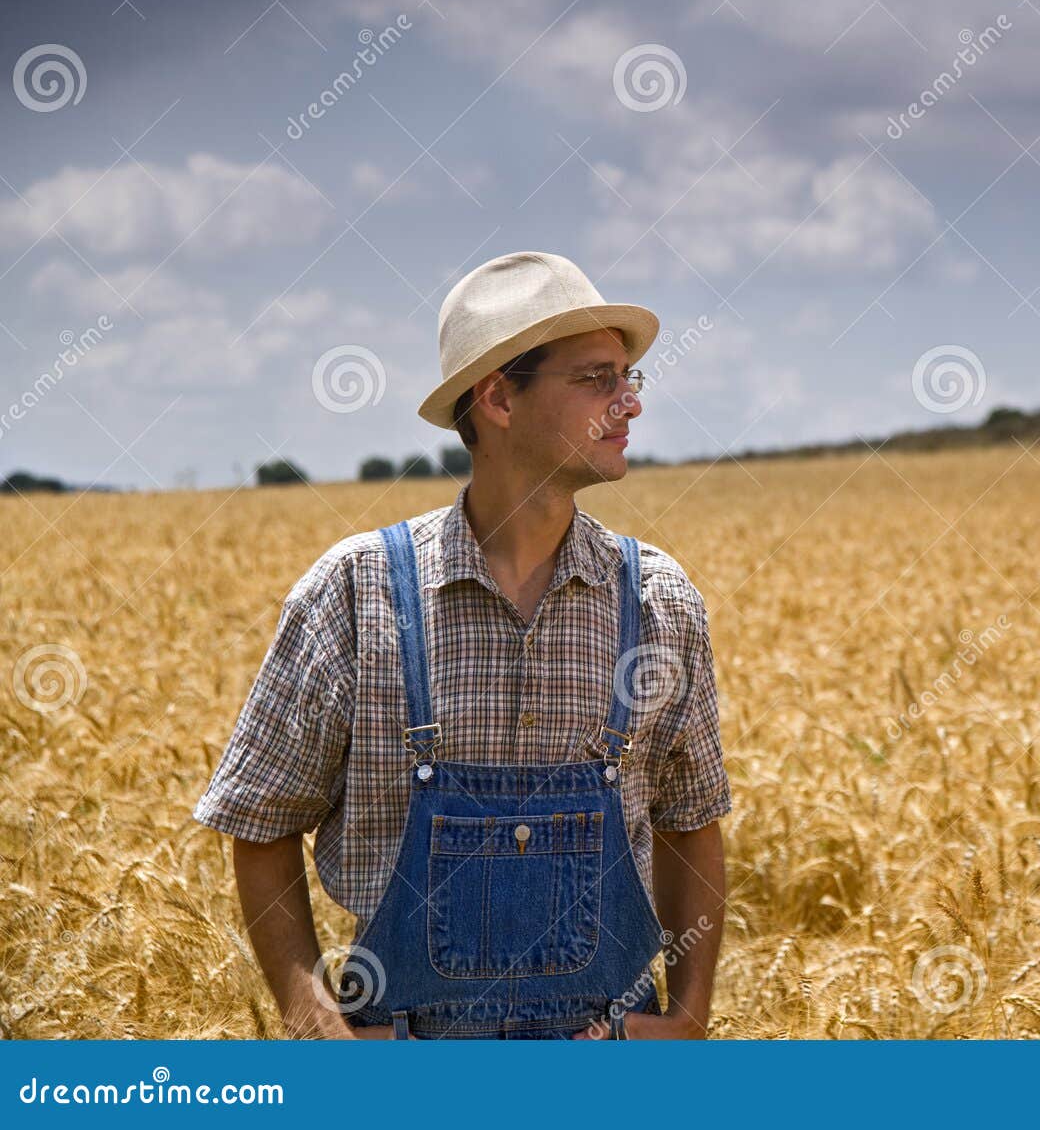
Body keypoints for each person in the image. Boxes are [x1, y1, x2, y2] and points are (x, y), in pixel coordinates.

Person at [194, 251, 732, 1040]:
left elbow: (692, 822)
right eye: (596, 379)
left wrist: (685, 1022)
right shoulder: (354, 593)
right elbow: (261, 822)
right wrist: (319, 1030)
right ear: (498, 398)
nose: (629, 404)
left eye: (630, 379)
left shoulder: (658, 602)